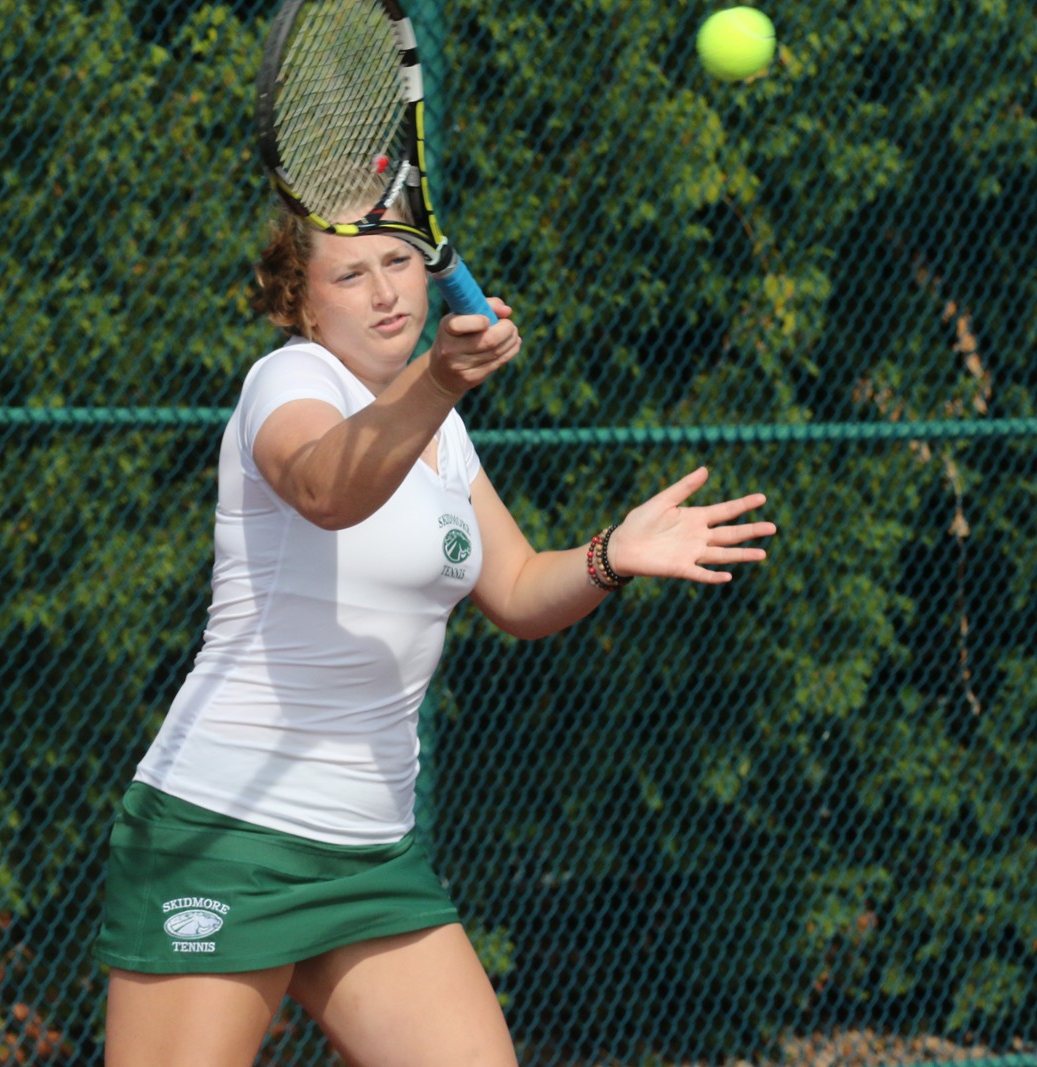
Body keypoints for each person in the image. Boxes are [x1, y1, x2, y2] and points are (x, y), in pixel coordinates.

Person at [91, 189, 777, 1067]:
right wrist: (441, 374)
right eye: (350, 274)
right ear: (302, 300)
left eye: (398, 261)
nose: (385, 292)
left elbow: (519, 589)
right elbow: (325, 488)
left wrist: (613, 554)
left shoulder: (442, 431)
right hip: (225, 831)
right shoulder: (291, 382)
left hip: (373, 855)